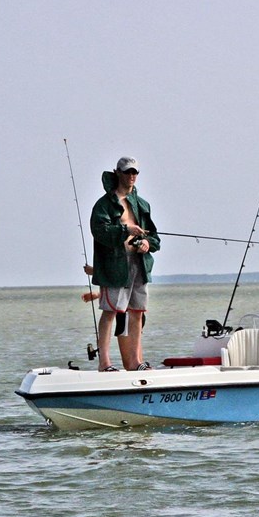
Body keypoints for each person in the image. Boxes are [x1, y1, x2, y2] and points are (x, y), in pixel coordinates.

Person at [90, 156, 160, 371]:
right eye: (127, 171)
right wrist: (125, 230)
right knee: (110, 311)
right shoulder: (104, 204)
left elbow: (155, 238)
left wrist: (146, 243)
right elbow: (99, 230)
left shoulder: (142, 204)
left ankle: (136, 362)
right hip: (115, 266)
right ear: (117, 172)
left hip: (139, 264)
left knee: (137, 311)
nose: (131, 176)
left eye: (135, 172)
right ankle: (105, 363)